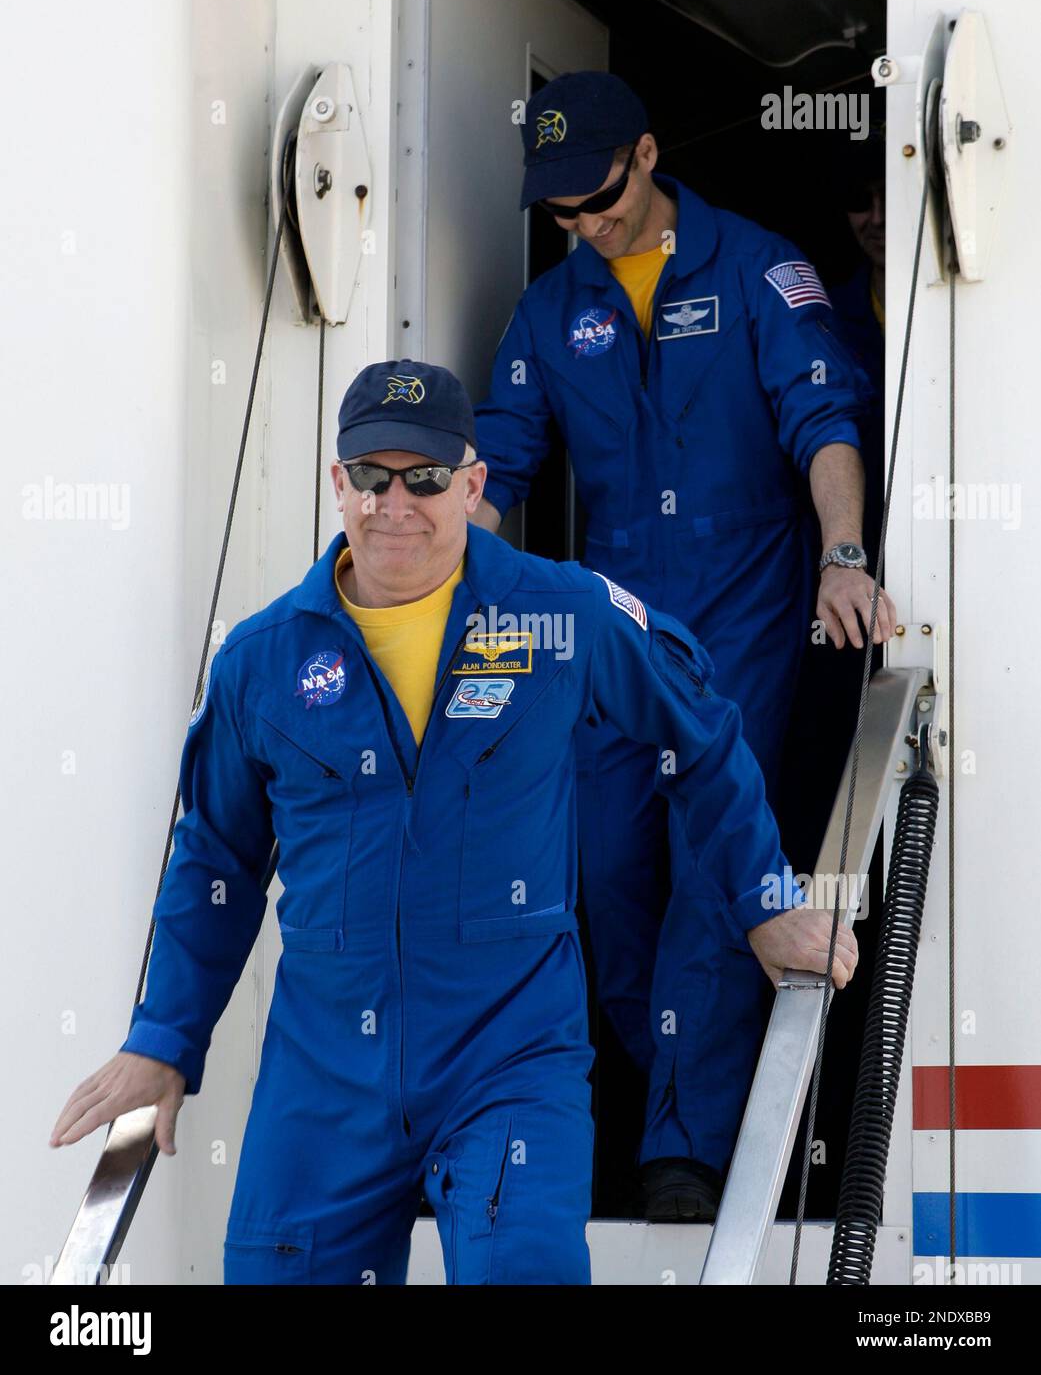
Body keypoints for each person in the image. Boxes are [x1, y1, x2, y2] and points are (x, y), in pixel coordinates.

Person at [49, 358, 857, 1285]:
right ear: (338, 483)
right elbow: (214, 865)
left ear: (472, 486)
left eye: (426, 478)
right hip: (324, 1076)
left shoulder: (564, 616)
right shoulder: (261, 661)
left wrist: (763, 902)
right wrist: (164, 1042)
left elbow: (703, 737)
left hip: (508, 1057)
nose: (396, 503)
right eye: (372, 476)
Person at [470, 71, 895, 1219]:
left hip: (744, 603)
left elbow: (825, 419)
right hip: (612, 622)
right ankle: (679, 1086)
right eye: (558, 213)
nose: (584, 226)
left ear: (649, 154)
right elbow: (497, 467)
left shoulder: (760, 266)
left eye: (599, 199)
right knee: (606, 871)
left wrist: (844, 554)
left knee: (720, 872)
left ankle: (682, 1154)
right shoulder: (553, 312)